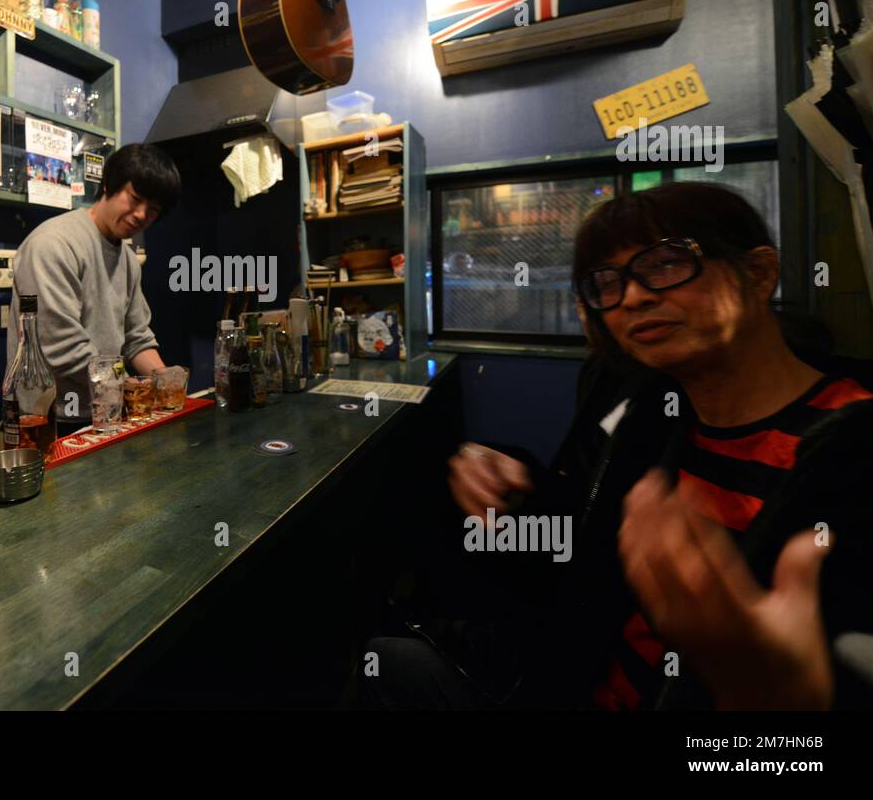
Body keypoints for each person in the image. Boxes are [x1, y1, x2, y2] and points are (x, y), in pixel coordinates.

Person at [365, 183, 873, 710]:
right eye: (607, 282)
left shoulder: (849, 449)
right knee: (383, 658)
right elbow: (585, 561)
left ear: (760, 273)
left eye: (668, 264)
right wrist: (504, 472)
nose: (633, 296)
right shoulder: (653, 414)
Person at [5, 143, 181, 436]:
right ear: (108, 185)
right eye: (135, 199)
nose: (141, 215)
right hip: (48, 417)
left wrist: (166, 381)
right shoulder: (54, 244)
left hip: (105, 411)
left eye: (153, 210)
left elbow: (136, 337)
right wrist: (129, 385)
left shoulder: (127, 260)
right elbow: (61, 347)